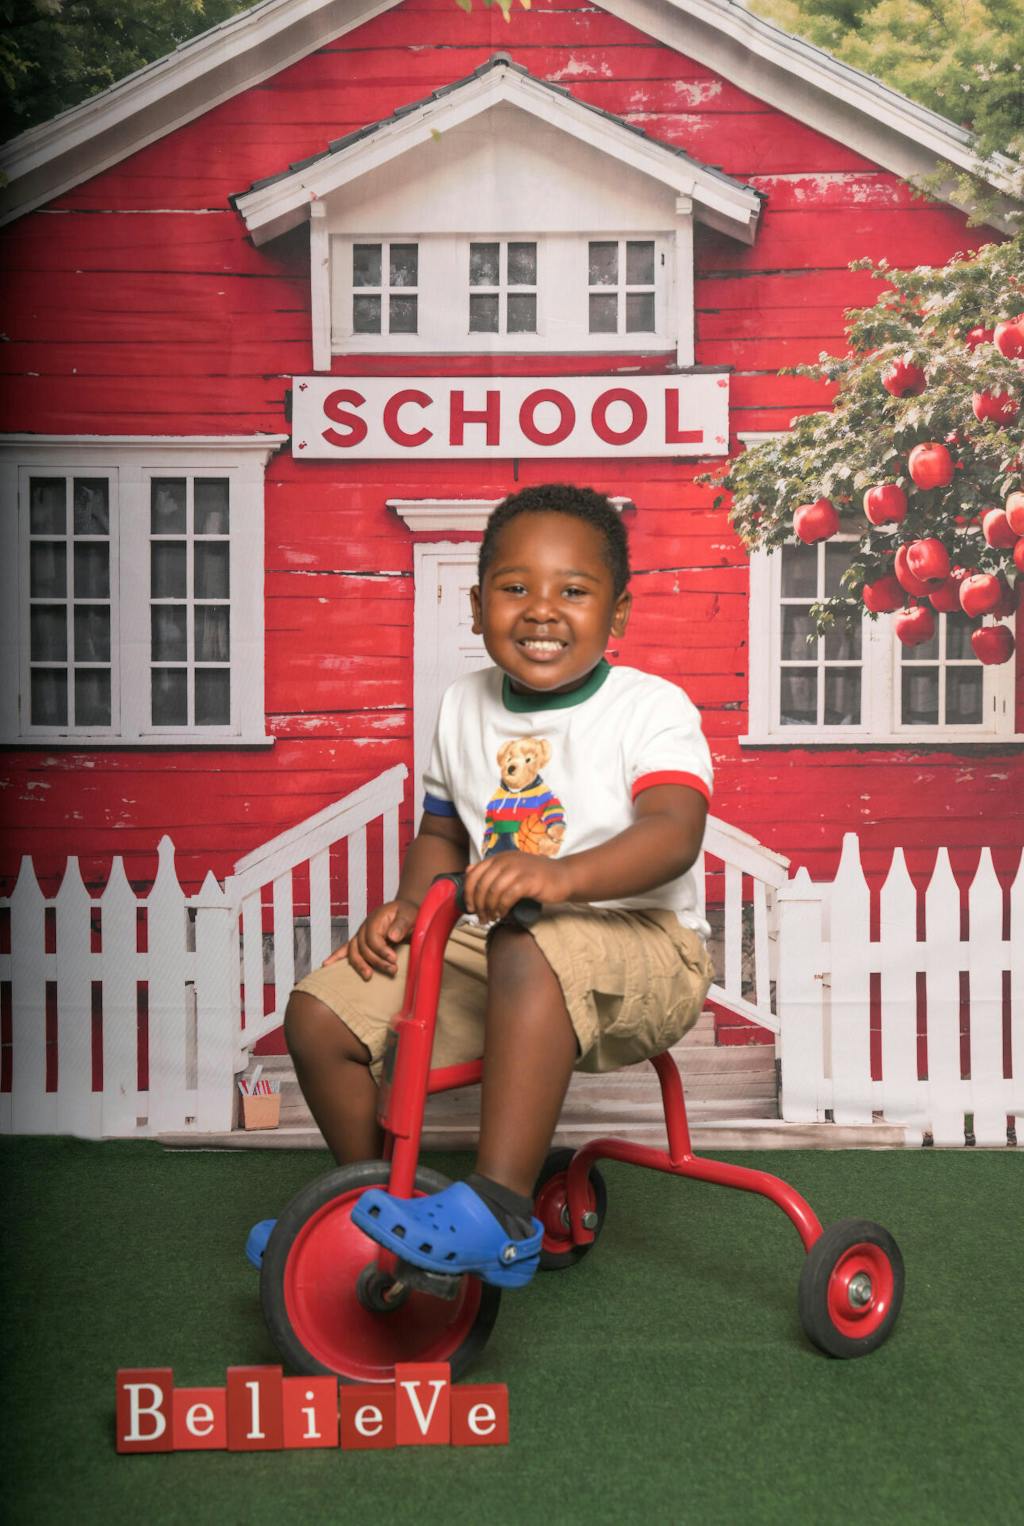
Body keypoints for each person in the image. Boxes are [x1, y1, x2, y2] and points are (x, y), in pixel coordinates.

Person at [259, 484, 714, 1289]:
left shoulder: (650, 707)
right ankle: (373, 1207)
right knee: (321, 1011)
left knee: (526, 939)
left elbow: (674, 832)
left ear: (618, 614)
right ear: (475, 606)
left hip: (646, 953)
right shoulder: (463, 705)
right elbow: (442, 831)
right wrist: (407, 907)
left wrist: (562, 874)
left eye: (573, 591)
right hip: (503, 950)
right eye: (515, 588)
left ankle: (502, 1209)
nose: (542, 610)